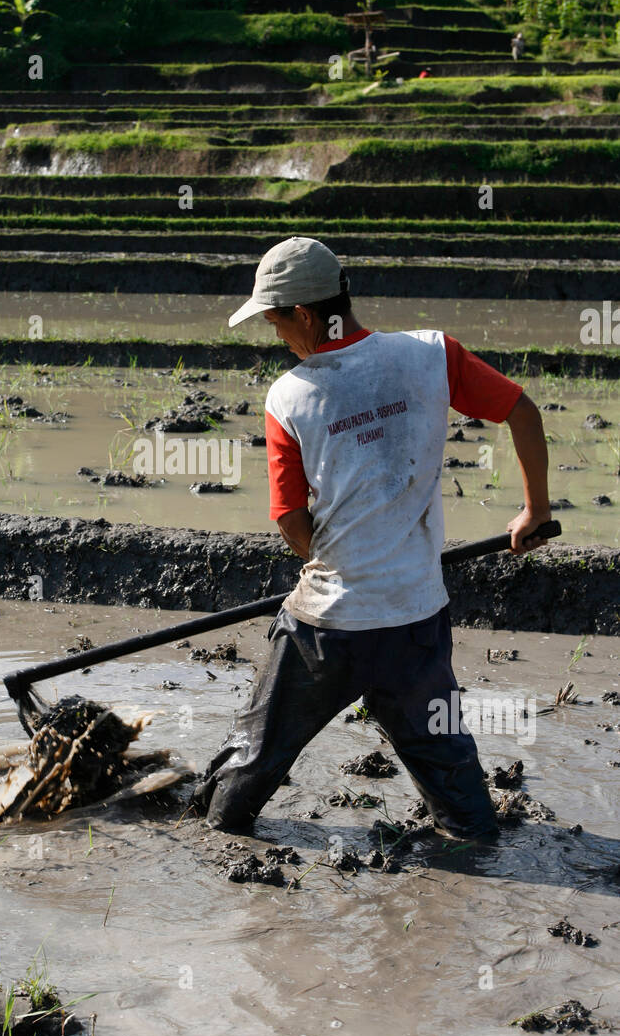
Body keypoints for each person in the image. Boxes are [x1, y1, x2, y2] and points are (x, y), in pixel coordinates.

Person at [190, 237, 552, 839]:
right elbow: (522, 411)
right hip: (416, 623)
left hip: (327, 631)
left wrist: (334, 559)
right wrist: (534, 510)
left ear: (304, 314)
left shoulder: (289, 396)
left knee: (241, 782)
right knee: (460, 799)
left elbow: (288, 519)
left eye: (276, 321)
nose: (277, 336)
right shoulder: (432, 354)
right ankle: (470, 845)